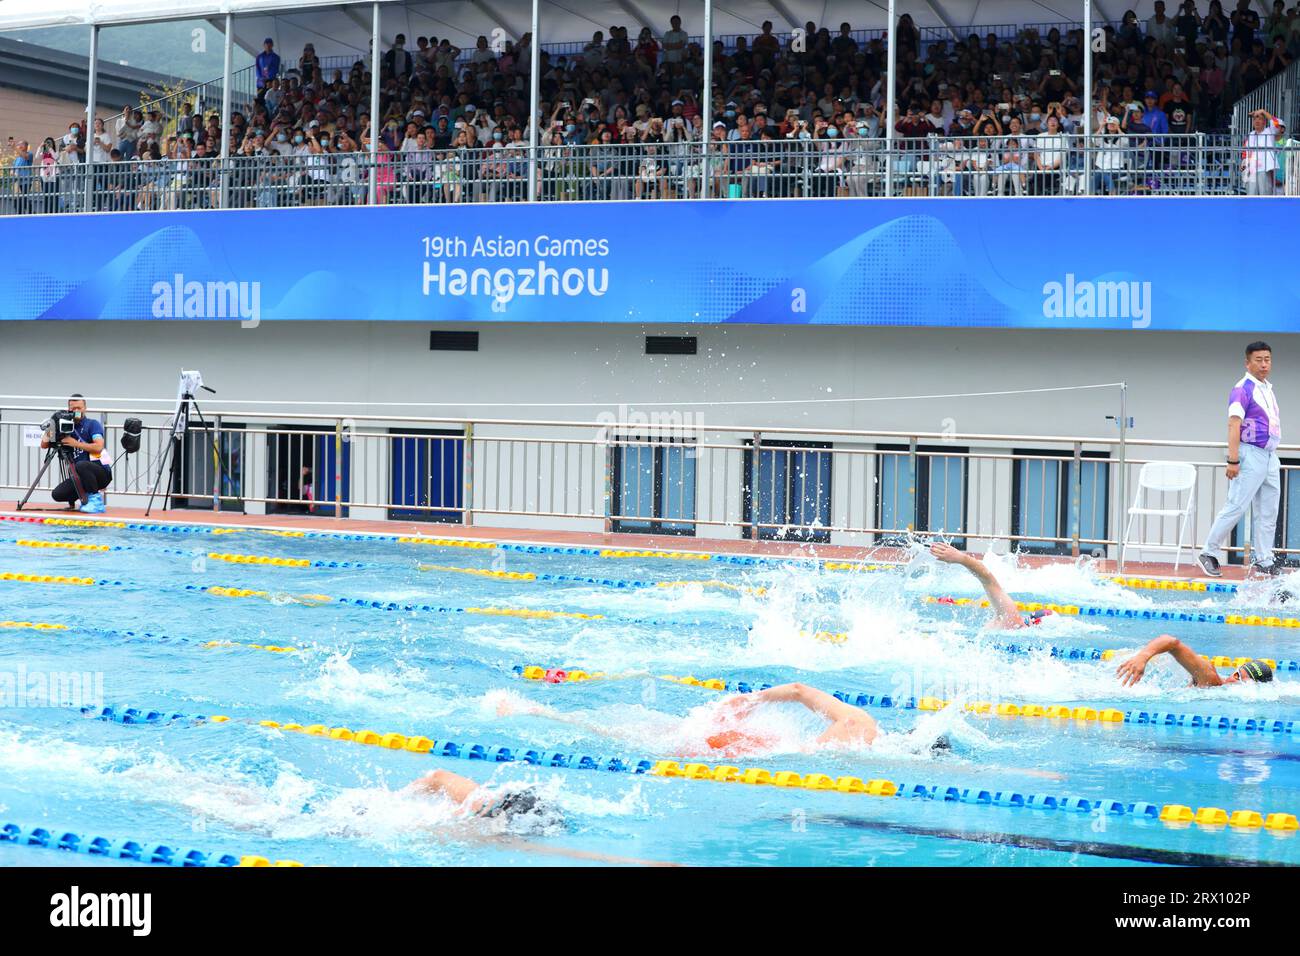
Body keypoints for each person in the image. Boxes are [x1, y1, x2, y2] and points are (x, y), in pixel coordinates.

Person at [1198, 341, 1283, 577]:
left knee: (1268, 511)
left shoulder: (1267, 388)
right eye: (1259, 360)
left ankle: (1264, 559)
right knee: (1236, 505)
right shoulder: (1242, 388)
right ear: (1247, 363)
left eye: (1267, 359)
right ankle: (1209, 551)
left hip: (1269, 456)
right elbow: (1234, 423)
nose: (1264, 364)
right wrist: (1233, 460)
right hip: (1249, 454)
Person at [928, 542, 1051, 629]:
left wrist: (962, 559)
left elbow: (988, 579)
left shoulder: (1011, 622)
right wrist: (961, 558)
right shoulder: (1012, 621)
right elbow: (987, 579)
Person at [40, 394, 111, 512]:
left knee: (81, 464)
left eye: (79, 408)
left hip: (100, 473)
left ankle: (96, 502)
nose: (76, 411)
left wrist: (75, 443)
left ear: (85, 408)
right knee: (57, 494)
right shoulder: (63, 426)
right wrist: (53, 424)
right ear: (69, 409)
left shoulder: (92, 424)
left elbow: (99, 447)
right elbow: (44, 445)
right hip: (80, 476)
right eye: (73, 409)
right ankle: (87, 498)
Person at [1117, 635, 1275, 687]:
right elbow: (1171, 641)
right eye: (1236, 673)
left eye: (1240, 679)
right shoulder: (1210, 678)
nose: (1232, 678)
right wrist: (1142, 658)